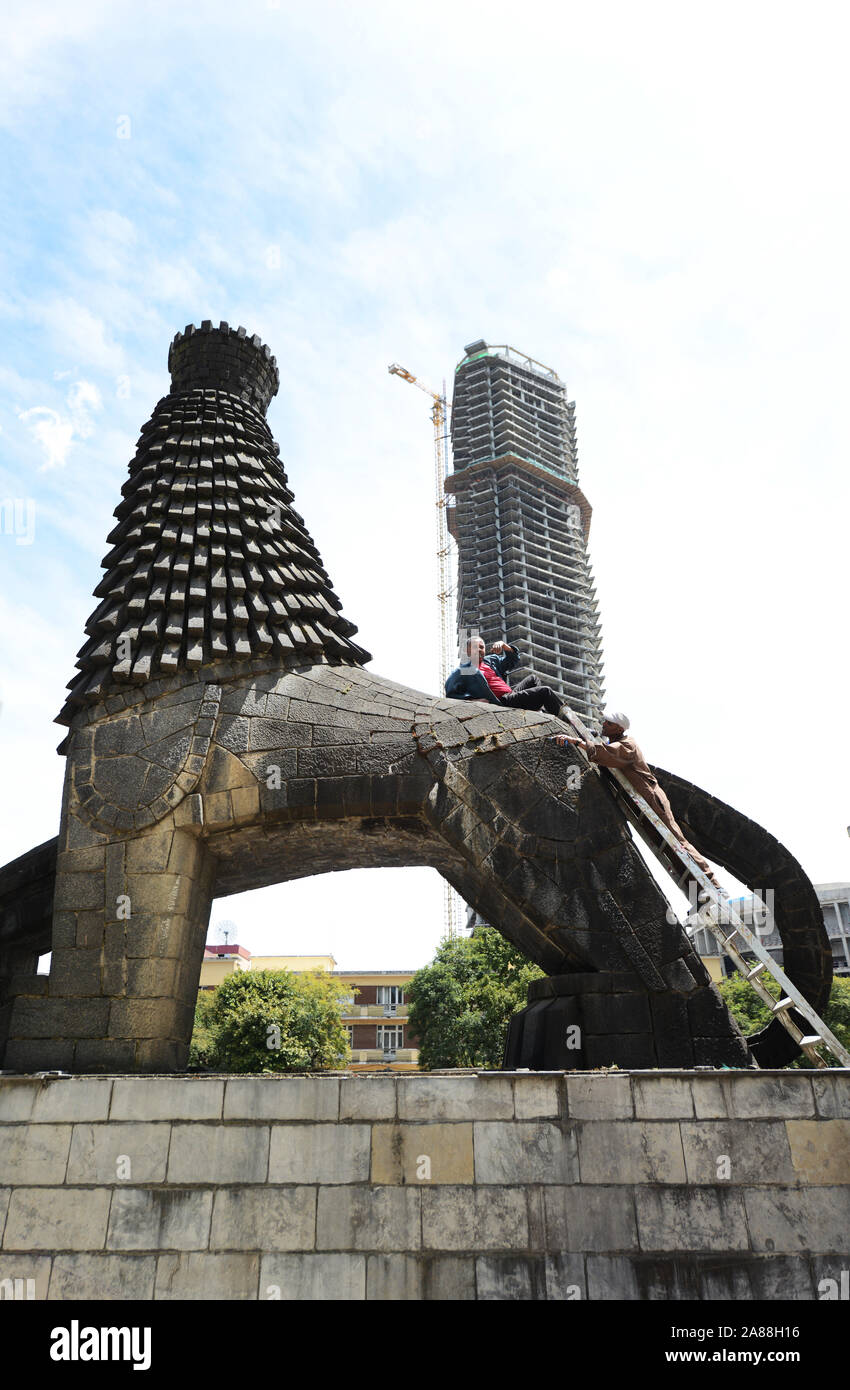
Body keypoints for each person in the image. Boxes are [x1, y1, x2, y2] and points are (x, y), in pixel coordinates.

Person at [553, 710, 722, 889]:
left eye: (608, 723)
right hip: (644, 801)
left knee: (677, 842)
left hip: (651, 798)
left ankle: (713, 884)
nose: (603, 724)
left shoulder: (627, 744)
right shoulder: (618, 741)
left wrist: (577, 742)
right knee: (668, 848)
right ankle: (699, 890)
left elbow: (609, 753)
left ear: (618, 728)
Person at [445, 636, 568, 718]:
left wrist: (504, 646)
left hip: (511, 695)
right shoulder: (465, 670)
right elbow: (450, 693)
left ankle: (537, 711)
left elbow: (512, 659)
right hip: (502, 701)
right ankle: (565, 719)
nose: (480, 650)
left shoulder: (490, 661)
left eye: (482, 647)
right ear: (467, 651)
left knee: (533, 679)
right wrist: (473, 701)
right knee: (545, 692)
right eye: (475, 647)